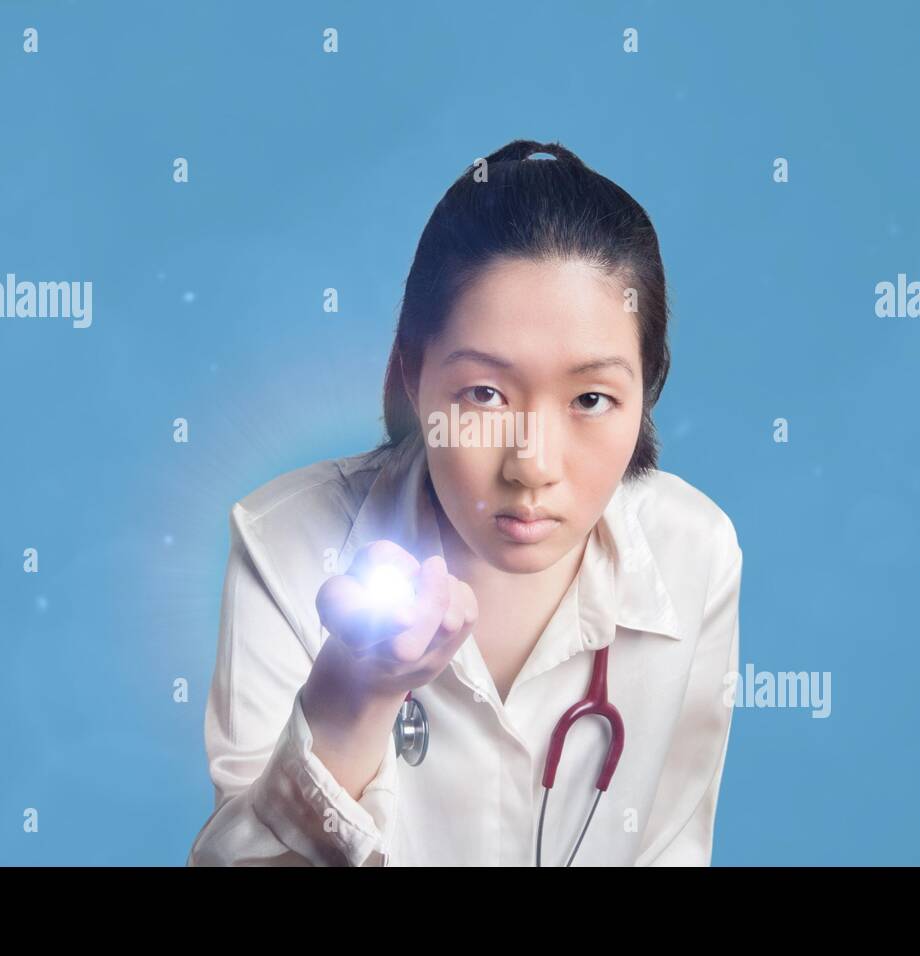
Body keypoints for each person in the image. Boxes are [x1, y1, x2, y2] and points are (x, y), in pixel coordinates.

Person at [186, 139, 742, 866]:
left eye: (591, 399)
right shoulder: (284, 542)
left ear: (649, 391)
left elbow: (671, 849)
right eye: (484, 394)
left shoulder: (692, 549)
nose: (532, 466)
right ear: (411, 374)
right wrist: (354, 698)